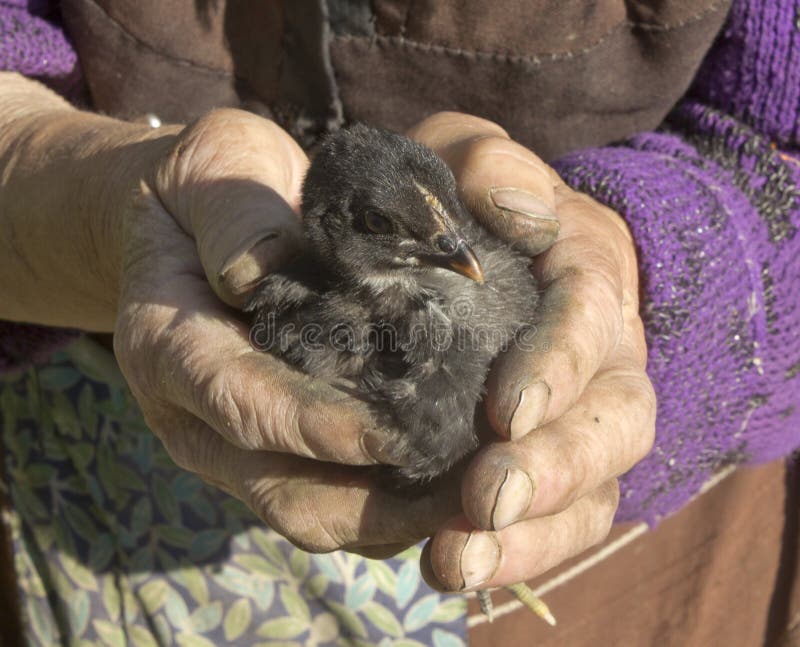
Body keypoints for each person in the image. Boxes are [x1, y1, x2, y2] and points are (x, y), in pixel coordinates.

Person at [0, 0, 797, 645]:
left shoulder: (483, 273)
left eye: (450, 233)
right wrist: (101, 205)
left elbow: (782, 143)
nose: (459, 253)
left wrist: (672, 282)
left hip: (637, 537)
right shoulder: (309, 314)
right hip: (142, 496)